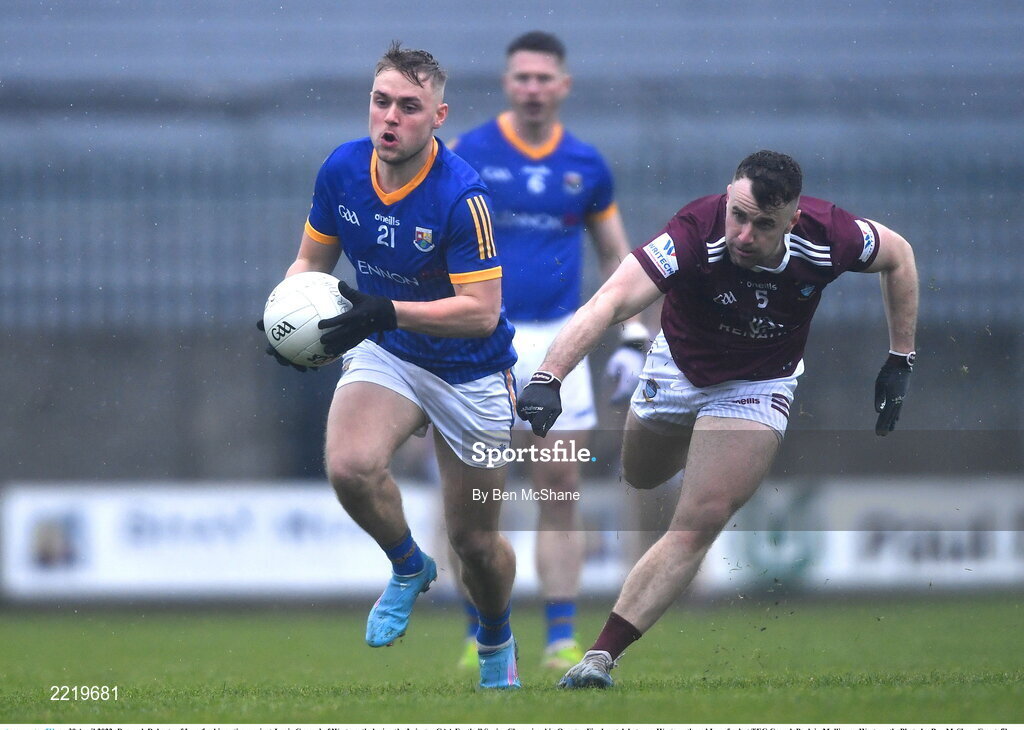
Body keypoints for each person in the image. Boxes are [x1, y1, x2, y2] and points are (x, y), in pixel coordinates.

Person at [516, 150, 919, 688]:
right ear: (728, 197)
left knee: (696, 521)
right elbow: (609, 301)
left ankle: (599, 658)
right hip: (677, 368)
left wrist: (900, 358)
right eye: (739, 214)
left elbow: (901, 256)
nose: (745, 234)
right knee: (641, 474)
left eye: (764, 223)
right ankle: (693, 441)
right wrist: (549, 375)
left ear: (793, 221)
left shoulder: (830, 234)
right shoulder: (693, 231)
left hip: (758, 384)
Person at [262, 42, 522, 690]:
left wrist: (388, 311)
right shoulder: (343, 171)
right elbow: (310, 263)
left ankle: (495, 640)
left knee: (477, 546)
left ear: (438, 115)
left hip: (473, 373)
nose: (390, 117)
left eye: (409, 106)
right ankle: (408, 565)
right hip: (391, 353)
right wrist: (287, 319)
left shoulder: (463, 197)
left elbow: (482, 313)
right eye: (382, 101)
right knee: (350, 467)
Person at [449, 30, 646, 671]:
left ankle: (560, 638)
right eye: (522, 77)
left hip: (559, 345)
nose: (532, 88)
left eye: (544, 78)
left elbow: (618, 258)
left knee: (560, 491)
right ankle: (483, 634)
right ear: (508, 84)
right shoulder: (469, 152)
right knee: (478, 495)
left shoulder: (586, 165)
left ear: (563, 86)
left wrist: (634, 337)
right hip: (482, 340)